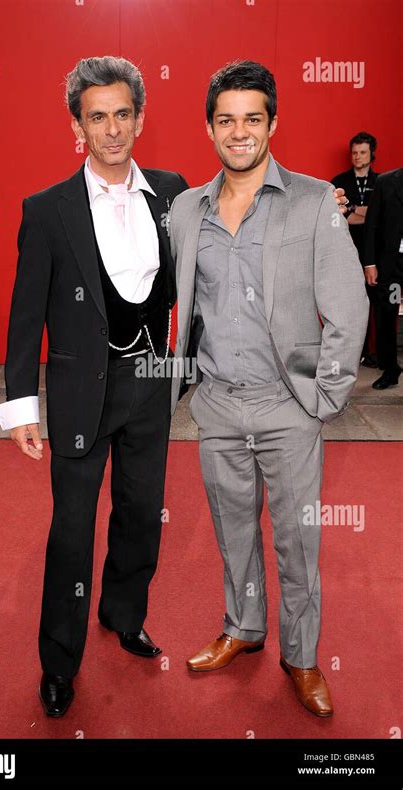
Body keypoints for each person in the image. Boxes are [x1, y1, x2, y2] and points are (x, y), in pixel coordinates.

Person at [169, 60, 368, 717]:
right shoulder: (186, 210)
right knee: (233, 534)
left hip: (289, 407)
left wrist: (324, 399)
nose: (239, 132)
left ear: (273, 123)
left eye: (252, 118)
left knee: (297, 543)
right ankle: (244, 628)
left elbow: (348, 308)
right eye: (226, 120)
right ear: (209, 128)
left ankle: (302, 657)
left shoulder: (313, 203)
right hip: (218, 406)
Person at [0, 55, 188, 717]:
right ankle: (58, 662)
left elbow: (200, 272)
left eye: (122, 114)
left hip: (152, 385)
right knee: (72, 533)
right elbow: (25, 316)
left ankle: (124, 615)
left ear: (140, 118)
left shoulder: (172, 193)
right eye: (97, 117)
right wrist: (21, 405)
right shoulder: (47, 210)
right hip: (82, 392)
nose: (112, 129)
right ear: (78, 125)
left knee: (141, 515)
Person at [331, 132, 379, 367]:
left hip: (375, 251)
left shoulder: (380, 181)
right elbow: (343, 217)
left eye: (362, 152)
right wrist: (367, 212)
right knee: (349, 304)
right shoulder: (339, 181)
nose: (357, 157)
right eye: (354, 153)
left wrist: (354, 209)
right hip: (346, 248)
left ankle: (371, 352)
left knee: (374, 302)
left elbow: (381, 217)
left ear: (372, 154)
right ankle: (353, 352)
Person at [363, 168, 403, 389]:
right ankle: (390, 369)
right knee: (387, 314)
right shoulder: (385, 182)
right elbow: (372, 224)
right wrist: (370, 263)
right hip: (392, 264)